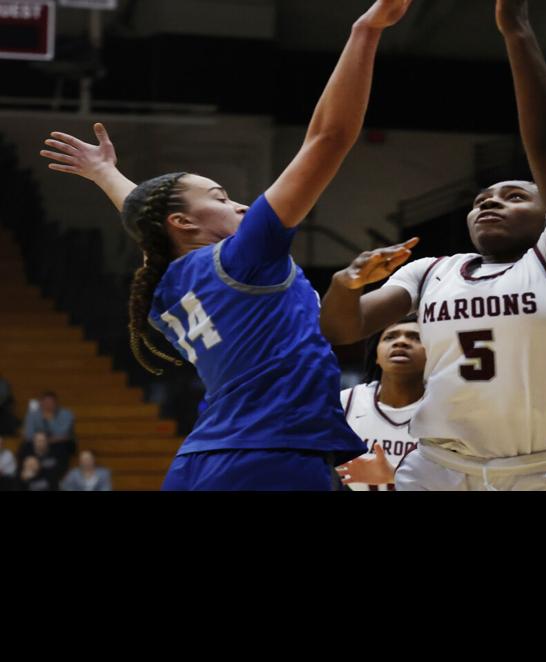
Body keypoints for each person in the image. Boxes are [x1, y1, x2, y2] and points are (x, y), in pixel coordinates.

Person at [40, 0, 415, 490]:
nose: (241, 205)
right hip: (268, 461)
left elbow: (150, 221)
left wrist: (105, 173)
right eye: (220, 197)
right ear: (183, 222)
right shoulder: (245, 259)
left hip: (201, 462)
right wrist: (366, 30)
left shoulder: (166, 290)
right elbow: (329, 137)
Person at [321, 0, 546, 492]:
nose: (490, 205)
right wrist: (346, 284)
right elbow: (343, 329)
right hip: (435, 467)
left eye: (514, 196)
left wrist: (515, 29)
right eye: (480, 201)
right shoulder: (431, 271)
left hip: (536, 470)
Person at [334, 316, 426, 491]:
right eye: (390, 337)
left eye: (415, 337)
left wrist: (393, 476)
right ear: (376, 355)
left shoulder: (445, 409)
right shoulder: (343, 403)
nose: (401, 342)